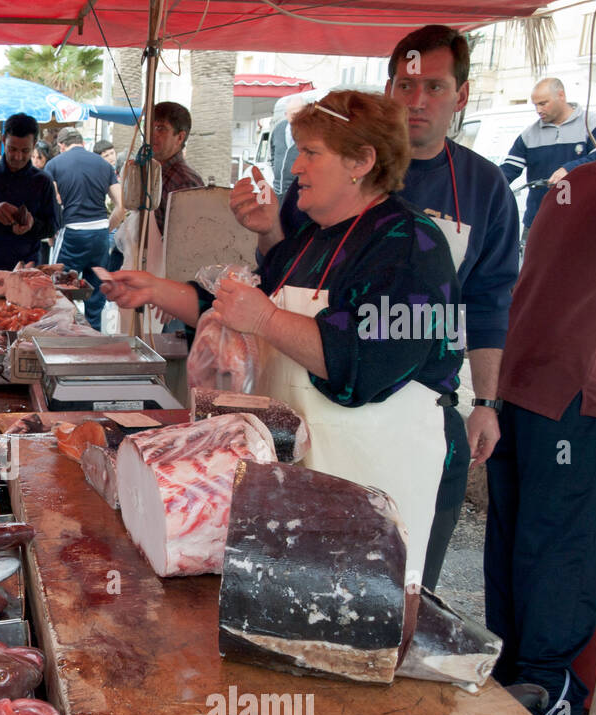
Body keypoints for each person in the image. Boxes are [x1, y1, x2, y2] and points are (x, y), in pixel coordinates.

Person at [104, 91, 463, 586]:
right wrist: (153, 289)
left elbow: (370, 362)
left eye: (311, 152)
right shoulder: (312, 238)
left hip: (373, 486)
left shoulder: (409, 246)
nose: (295, 167)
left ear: (362, 161)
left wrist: (269, 320)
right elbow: (235, 308)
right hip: (304, 473)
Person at [278, 26, 521, 591]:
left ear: (461, 96)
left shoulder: (485, 188)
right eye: (406, 85)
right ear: (389, 87)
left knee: (396, 593)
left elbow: (487, 301)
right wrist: (267, 231)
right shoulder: (325, 177)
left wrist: (485, 401)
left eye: (434, 87)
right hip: (321, 410)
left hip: (414, 410)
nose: (417, 101)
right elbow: (290, 271)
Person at [484, 152, 596, 715]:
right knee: (566, 540)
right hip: (579, 391)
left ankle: (514, 681)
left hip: (525, 382)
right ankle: (546, 695)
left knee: (522, 540)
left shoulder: (579, 180)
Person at [499, 77, 596, 246]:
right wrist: (483, 183)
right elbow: (509, 170)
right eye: (535, 105)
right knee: (531, 272)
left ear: (561, 95)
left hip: (582, 221)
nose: (538, 110)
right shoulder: (529, 134)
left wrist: (569, 169)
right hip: (537, 222)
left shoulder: (591, 123)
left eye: (543, 103)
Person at [45, 126, 124, 329]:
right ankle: (93, 340)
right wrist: (106, 228)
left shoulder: (54, 165)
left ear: (62, 146)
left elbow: (50, 203)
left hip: (70, 232)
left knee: (58, 292)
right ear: (82, 142)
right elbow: (122, 205)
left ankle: (61, 339)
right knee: (96, 297)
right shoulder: (104, 165)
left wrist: (52, 234)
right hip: (98, 233)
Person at [0, 112, 59, 271]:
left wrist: (32, 224)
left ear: (34, 144)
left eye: (25, 151)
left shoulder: (43, 181)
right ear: (4, 140)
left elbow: (52, 226)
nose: (18, 156)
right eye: (12, 149)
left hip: (26, 269)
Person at [151, 101, 204, 234]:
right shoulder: (155, 173)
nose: (152, 134)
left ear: (180, 137)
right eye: (149, 127)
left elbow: (189, 236)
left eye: (160, 128)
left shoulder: (185, 182)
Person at [269, 96, 304, 197]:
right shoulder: (279, 129)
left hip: (299, 193)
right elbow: (273, 155)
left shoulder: (311, 133)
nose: (297, 117)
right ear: (286, 114)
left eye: (300, 113)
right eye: (293, 114)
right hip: (278, 191)